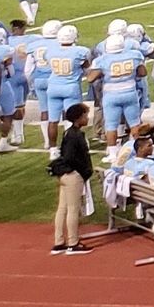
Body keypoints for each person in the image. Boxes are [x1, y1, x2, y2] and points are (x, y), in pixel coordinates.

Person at [49, 102, 92, 254]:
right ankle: (73, 243)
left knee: (62, 209)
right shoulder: (76, 135)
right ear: (79, 117)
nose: (87, 117)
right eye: (85, 115)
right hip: (73, 175)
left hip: (65, 175)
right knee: (73, 209)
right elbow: (73, 157)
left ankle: (59, 242)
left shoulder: (68, 133)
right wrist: (84, 171)